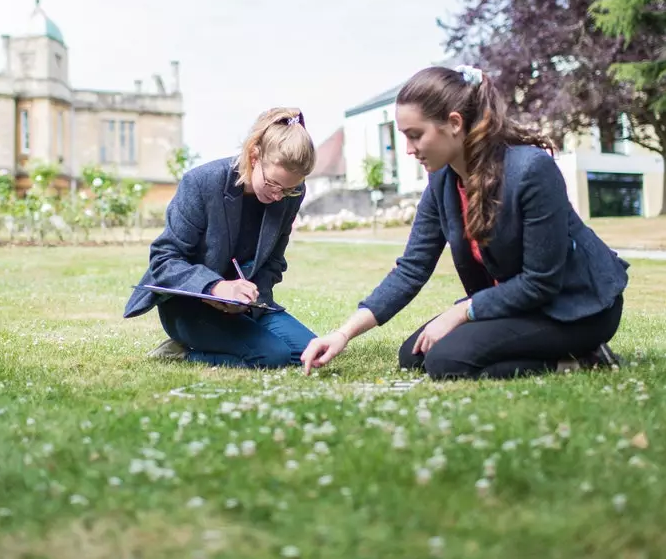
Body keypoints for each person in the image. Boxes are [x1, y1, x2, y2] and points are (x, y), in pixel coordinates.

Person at [301, 65, 628, 380]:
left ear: (454, 123)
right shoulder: (442, 181)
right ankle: (559, 354)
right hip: (518, 305)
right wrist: (343, 333)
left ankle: (580, 358)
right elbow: (412, 268)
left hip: (575, 307)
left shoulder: (530, 171)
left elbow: (540, 283)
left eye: (416, 136)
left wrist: (460, 312)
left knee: (448, 360)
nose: (409, 149)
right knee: (413, 356)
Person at [125, 107, 317, 368]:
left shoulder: (291, 192)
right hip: (189, 306)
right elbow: (163, 260)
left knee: (312, 353)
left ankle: (242, 337)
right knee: (272, 356)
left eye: (289, 190)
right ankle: (180, 352)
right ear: (253, 156)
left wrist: (251, 295)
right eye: (273, 184)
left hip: (246, 307)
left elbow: (273, 261)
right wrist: (217, 288)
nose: (278, 197)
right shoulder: (201, 183)